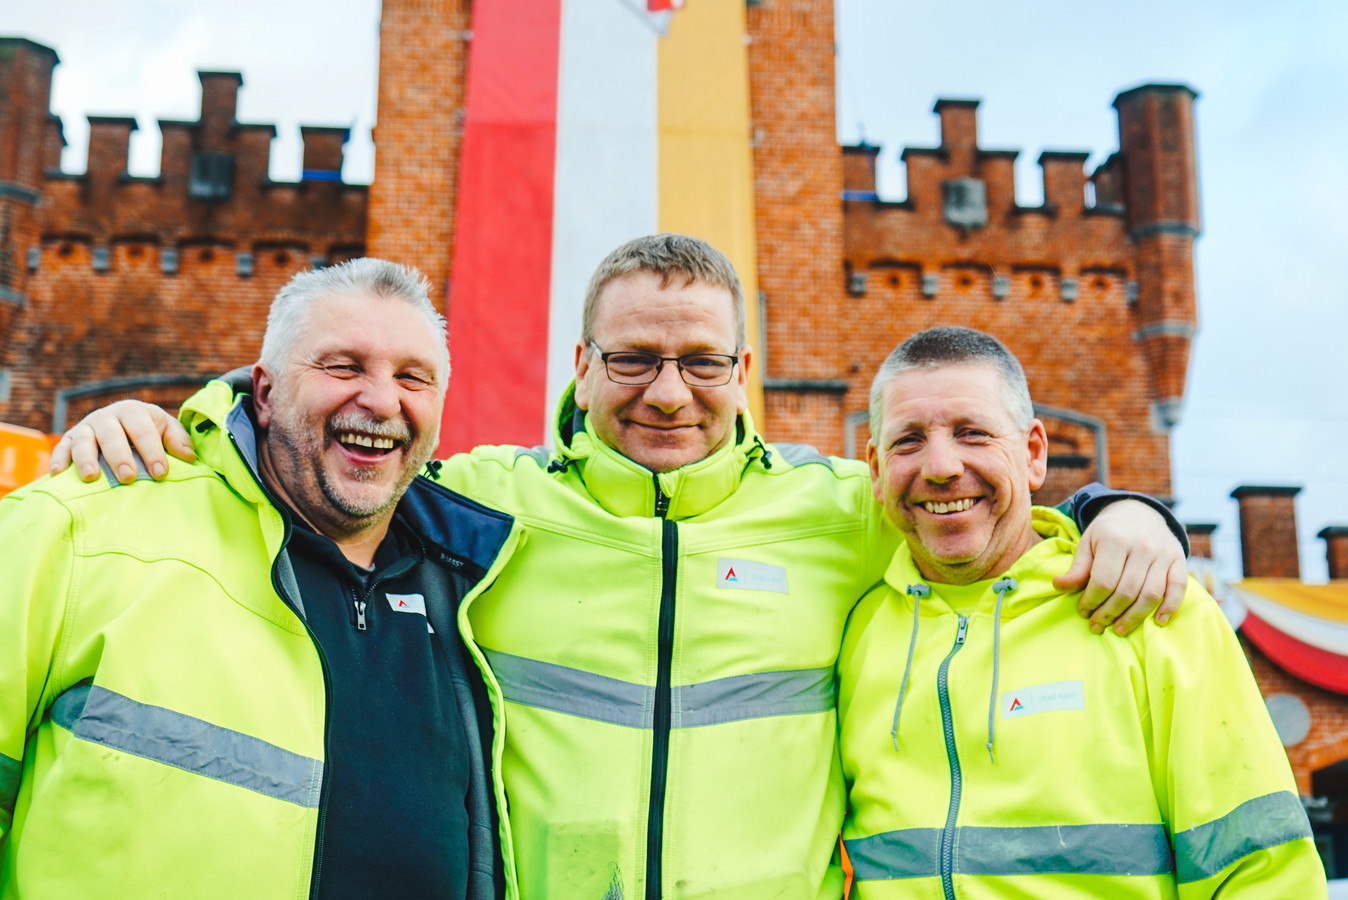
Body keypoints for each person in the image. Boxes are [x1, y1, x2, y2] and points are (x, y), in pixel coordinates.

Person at [54, 235, 1189, 899]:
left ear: (745, 368)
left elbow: (975, 514)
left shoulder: (840, 512)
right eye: (634, 359)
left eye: (699, 363)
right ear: (583, 364)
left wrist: (1118, 509)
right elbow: (325, 448)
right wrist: (170, 419)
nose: (665, 393)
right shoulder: (484, 501)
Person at [0, 259, 521, 898]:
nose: (382, 400)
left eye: (413, 377)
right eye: (343, 367)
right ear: (266, 393)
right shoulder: (79, 528)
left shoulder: (473, 580)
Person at [838, 325, 1324, 897]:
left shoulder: (1153, 608)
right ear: (873, 468)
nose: (941, 466)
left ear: (1033, 454)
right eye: (908, 441)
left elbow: (1262, 870)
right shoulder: (853, 632)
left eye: (973, 433)